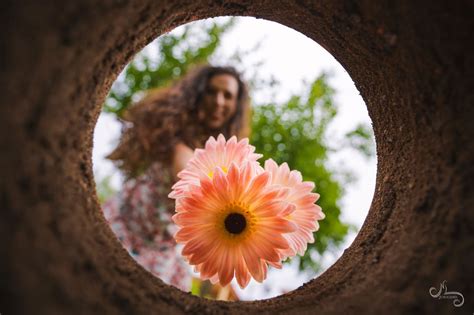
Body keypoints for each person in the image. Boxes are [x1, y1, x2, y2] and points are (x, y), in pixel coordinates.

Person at [102, 65, 250, 292]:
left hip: (160, 251)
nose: (219, 101)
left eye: (227, 95)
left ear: (235, 106)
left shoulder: (226, 156)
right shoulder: (172, 129)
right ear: (198, 93)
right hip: (124, 223)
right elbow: (185, 169)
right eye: (211, 91)